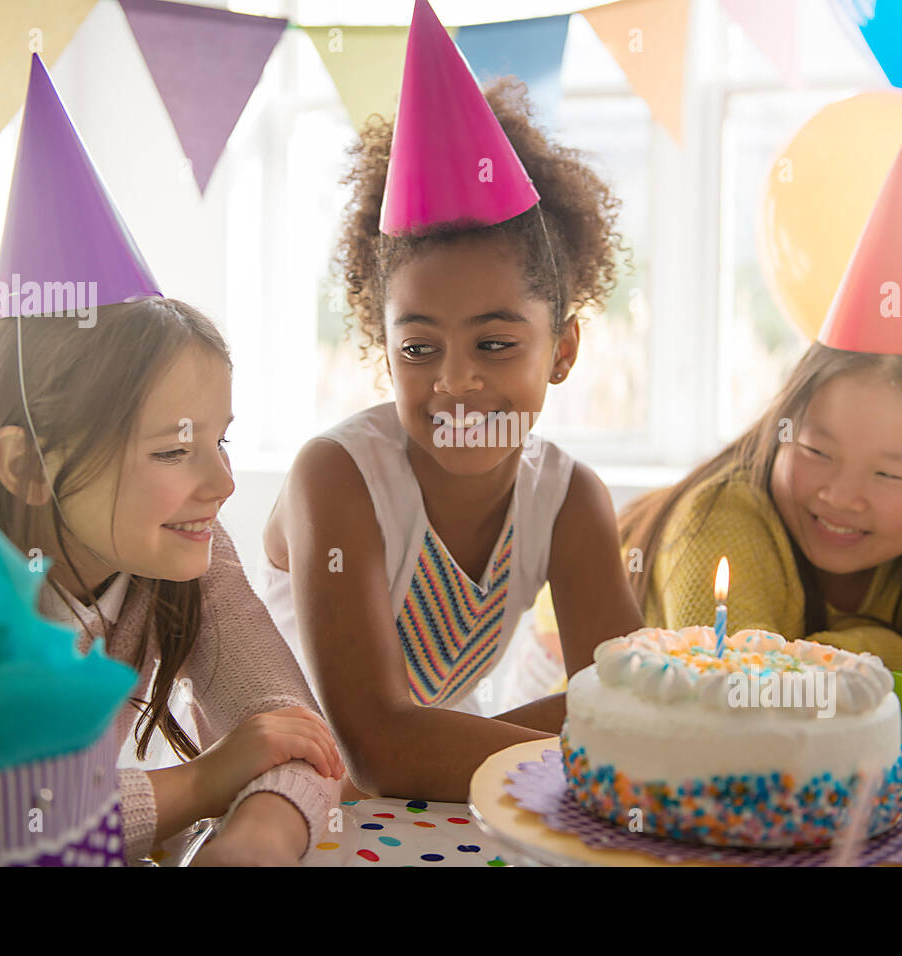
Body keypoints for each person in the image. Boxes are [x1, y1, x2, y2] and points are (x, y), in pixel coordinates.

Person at [0, 54, 341, 866]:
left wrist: (249, 841)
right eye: (175, 449)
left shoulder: (185, 556)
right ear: (29, 467)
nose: (221, 485)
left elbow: (291, 728)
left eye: (220, 440)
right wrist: (202, 785)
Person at [260, 1, 642, 801]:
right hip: (274, 794)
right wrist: (605, 727)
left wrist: (624, 719)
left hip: (441, 796)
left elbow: (628, 706)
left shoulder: (570, 502)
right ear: (383, 347)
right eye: (420, 348)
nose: (455, 382)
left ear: (562, 351)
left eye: (496, 345)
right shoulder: (336, 476)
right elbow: (376, 748)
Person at [620, 142, 902, 671]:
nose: (840, 495)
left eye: (889, 474)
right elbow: (739, 690)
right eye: (817, 450)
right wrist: (893, 652)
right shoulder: (720, 518)